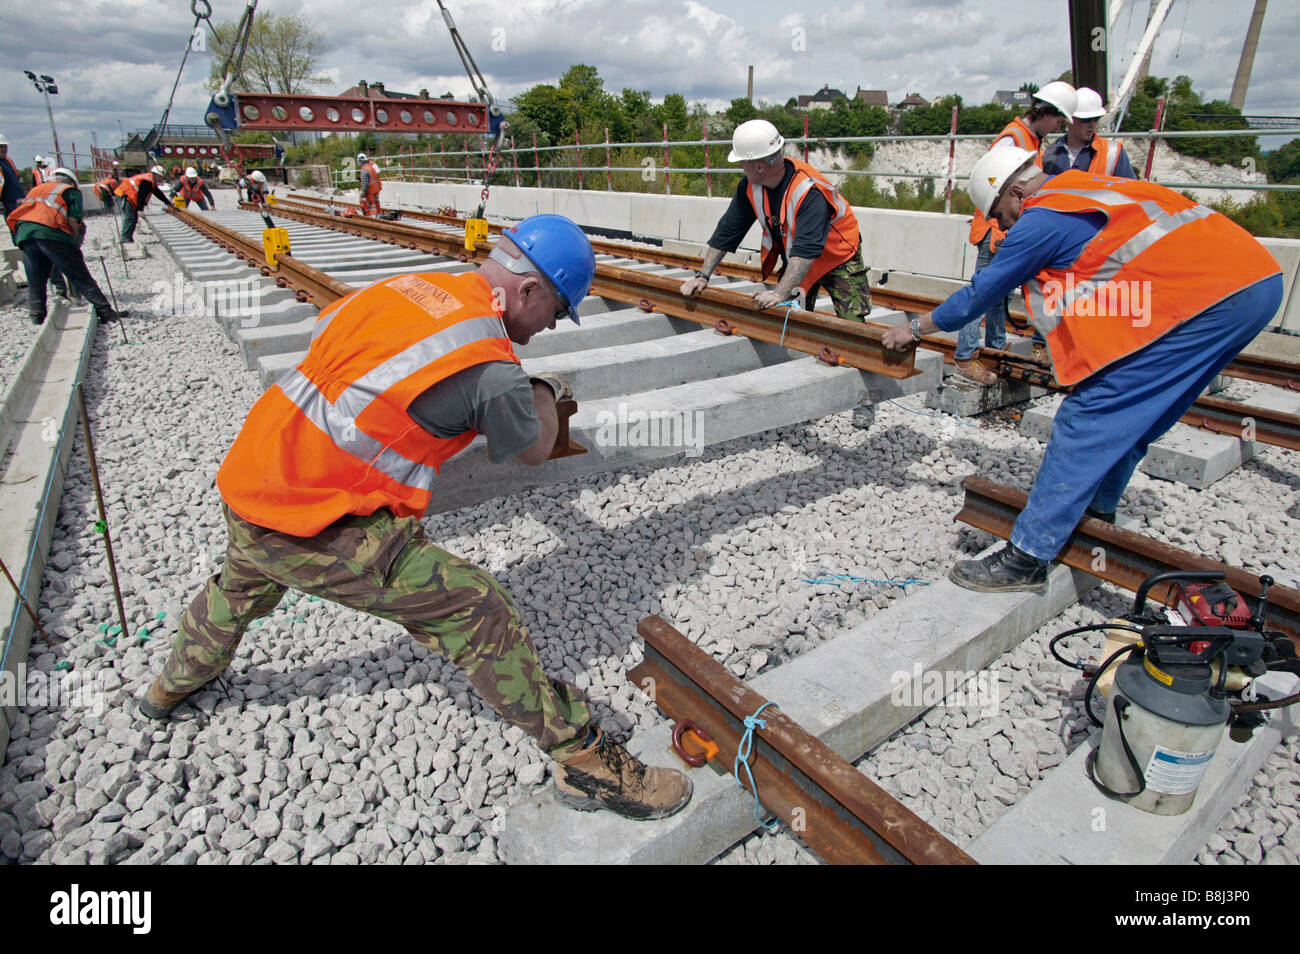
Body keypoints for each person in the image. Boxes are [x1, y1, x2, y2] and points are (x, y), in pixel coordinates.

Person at [137, 213, 693, 821]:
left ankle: (170, 688)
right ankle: (585, 762)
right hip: (316, 522)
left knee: (239, 586)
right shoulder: (495, 368)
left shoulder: (410, 288)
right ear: (528, 290)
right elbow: (533, 449)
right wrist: (543, 395)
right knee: (478, 609)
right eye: (557, 310)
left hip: (253, 479)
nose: (552, 324)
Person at [882, 148, 1282, 592]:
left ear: (1016, 193)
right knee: (1135, 414)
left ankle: (1027, 557)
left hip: (1211, 299)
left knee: (1088, 416)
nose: (1004, 228)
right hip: (1251, 283)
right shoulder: (1080, 187)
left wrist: (916, 329)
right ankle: (1097, 514)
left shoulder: (1041, 219)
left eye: (1002, 216)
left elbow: (981, 293)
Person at [680, 119, 870, 321]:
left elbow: (806, 251)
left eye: (743, 162)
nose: (741, 167)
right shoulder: (751, 187)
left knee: (852, 324)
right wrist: (703, 276)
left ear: (759, 166)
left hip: (837, 257)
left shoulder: (809, 192)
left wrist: (779, 293)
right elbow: (728, 230)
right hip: (799, 257)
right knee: (789, 317)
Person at [957, 81, 1077, 384]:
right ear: (1046, 113)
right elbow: (993, 186)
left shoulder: (1030, 139)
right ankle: (964, 356)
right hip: (996, 227)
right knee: (983, 291)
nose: (1057, 127)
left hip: (1009, 226)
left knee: (998, 295)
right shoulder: (1013, 139)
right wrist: (1000, 229)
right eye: (1058, 121)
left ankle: (996, 352)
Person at [5, 166, 126, 326]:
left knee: (36, 279)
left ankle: (37, 317)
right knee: (80, 275)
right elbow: (73, 221)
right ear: (71, 182)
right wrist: (72, 246)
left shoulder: (36, 190)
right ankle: (107, 314)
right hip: (51, 233)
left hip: (24, 235)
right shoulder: (69, 191)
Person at [1041, 87, 1136, 180]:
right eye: (1086, 120)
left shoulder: (1113, 152)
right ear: (1068, 120)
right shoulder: (1047, 155)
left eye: (1096, 119)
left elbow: (1130, 189)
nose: (1092, 125)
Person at [114, 165, 165, 243]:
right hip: (126, 195)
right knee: (130, 218)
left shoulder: (151, 181)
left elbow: (158, 193)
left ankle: (128, 238)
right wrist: (140, 209)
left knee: (133, 218)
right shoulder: (147, 181)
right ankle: (125, 238)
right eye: (161, 177)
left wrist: (168, 203)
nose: (162, 179)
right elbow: (142, 195)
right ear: (156, 175)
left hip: (130, 196)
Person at [0, 133, 26, 217]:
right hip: (8, 202)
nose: (4, 149)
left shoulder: (7, 160)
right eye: (1, 146)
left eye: (5, 146)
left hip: (18, 200)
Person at [358, 152, 382, 216]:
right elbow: (375, 176)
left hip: (370, 190)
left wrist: (363, 193)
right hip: (376, 188)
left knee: (371, 205)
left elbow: (365, 183)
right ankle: (379, 215)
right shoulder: (371, 167)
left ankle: (373, 217)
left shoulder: (364, 170)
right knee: (376, 202)